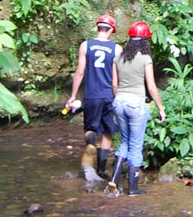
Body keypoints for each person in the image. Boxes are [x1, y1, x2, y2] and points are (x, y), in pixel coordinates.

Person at [107, 21, 166, 196]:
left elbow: (114, 85)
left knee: (125, 141)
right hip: (136, 104)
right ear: (145, 40)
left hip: (119, 102)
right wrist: (161, 107)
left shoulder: (118, 58)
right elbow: (152, 86)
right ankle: (133, 188)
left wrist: (120, 99)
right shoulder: (145, 58)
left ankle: (114, 181)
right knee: (135, 145)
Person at [66, 14, 121, 180]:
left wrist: (73, 95)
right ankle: (102, 170)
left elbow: (80, 72)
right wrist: (116, 96)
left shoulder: (85, 46)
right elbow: (115, 78)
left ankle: (90, 145)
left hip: (91, 95)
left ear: (97, 28)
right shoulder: (117, 49)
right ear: (111, 30)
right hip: (108, 95)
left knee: (90, 128)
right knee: (107, 132)